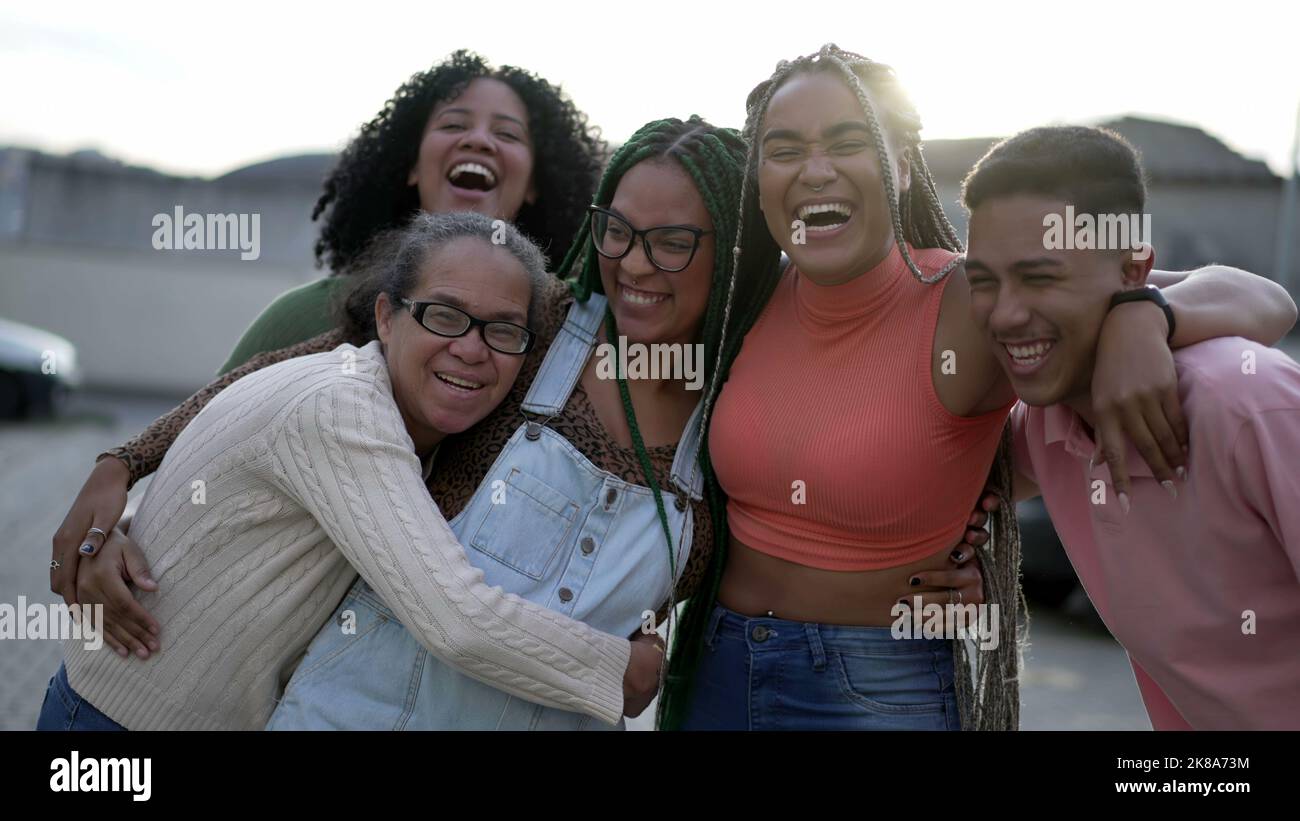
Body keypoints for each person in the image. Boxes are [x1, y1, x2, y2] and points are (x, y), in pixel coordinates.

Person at [660, 44, 1300, 731]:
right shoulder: (743, 297)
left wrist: (1142, 320)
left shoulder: (971, 294)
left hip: (874, 686)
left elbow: (1263, 298)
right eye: (784, 149)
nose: (815, 170)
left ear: (903, 166)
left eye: (848, 141)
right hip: (717, 661)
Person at [36, 212, 668, 731]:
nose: (471, 348)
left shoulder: (396, 412)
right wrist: (619, 670)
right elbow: (453, 616)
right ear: (387, 318)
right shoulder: (341, 411)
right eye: (444, 315)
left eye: (503, 331)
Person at [50, 49, 606, 592]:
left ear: (537, 181)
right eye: (454, 123)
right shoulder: (304, 317)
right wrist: (117, 534)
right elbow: (198, 464)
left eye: (507, 134)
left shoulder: (561, 343)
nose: (479, 139)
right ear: (410, 165)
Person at [962, 125, 1300, 730]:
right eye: (984, 280)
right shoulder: (1045, 423)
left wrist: (1150, 317)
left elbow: (1270, 299)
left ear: (1133, 270)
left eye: (1040, 277)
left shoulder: (1247, 403)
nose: (1006, 314)